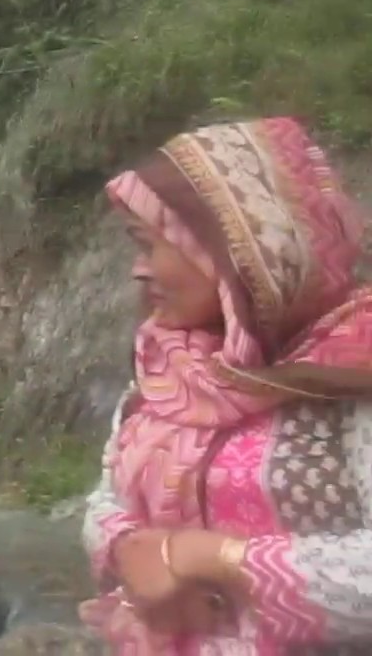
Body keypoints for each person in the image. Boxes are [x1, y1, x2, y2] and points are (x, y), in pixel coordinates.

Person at [79, 117, 372, 652]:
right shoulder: (173, 366)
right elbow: (106, 496)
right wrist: (133, 554)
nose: (137, 271)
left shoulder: (356, 375)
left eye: (149, 245)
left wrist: (208, 559)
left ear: (230, 253)